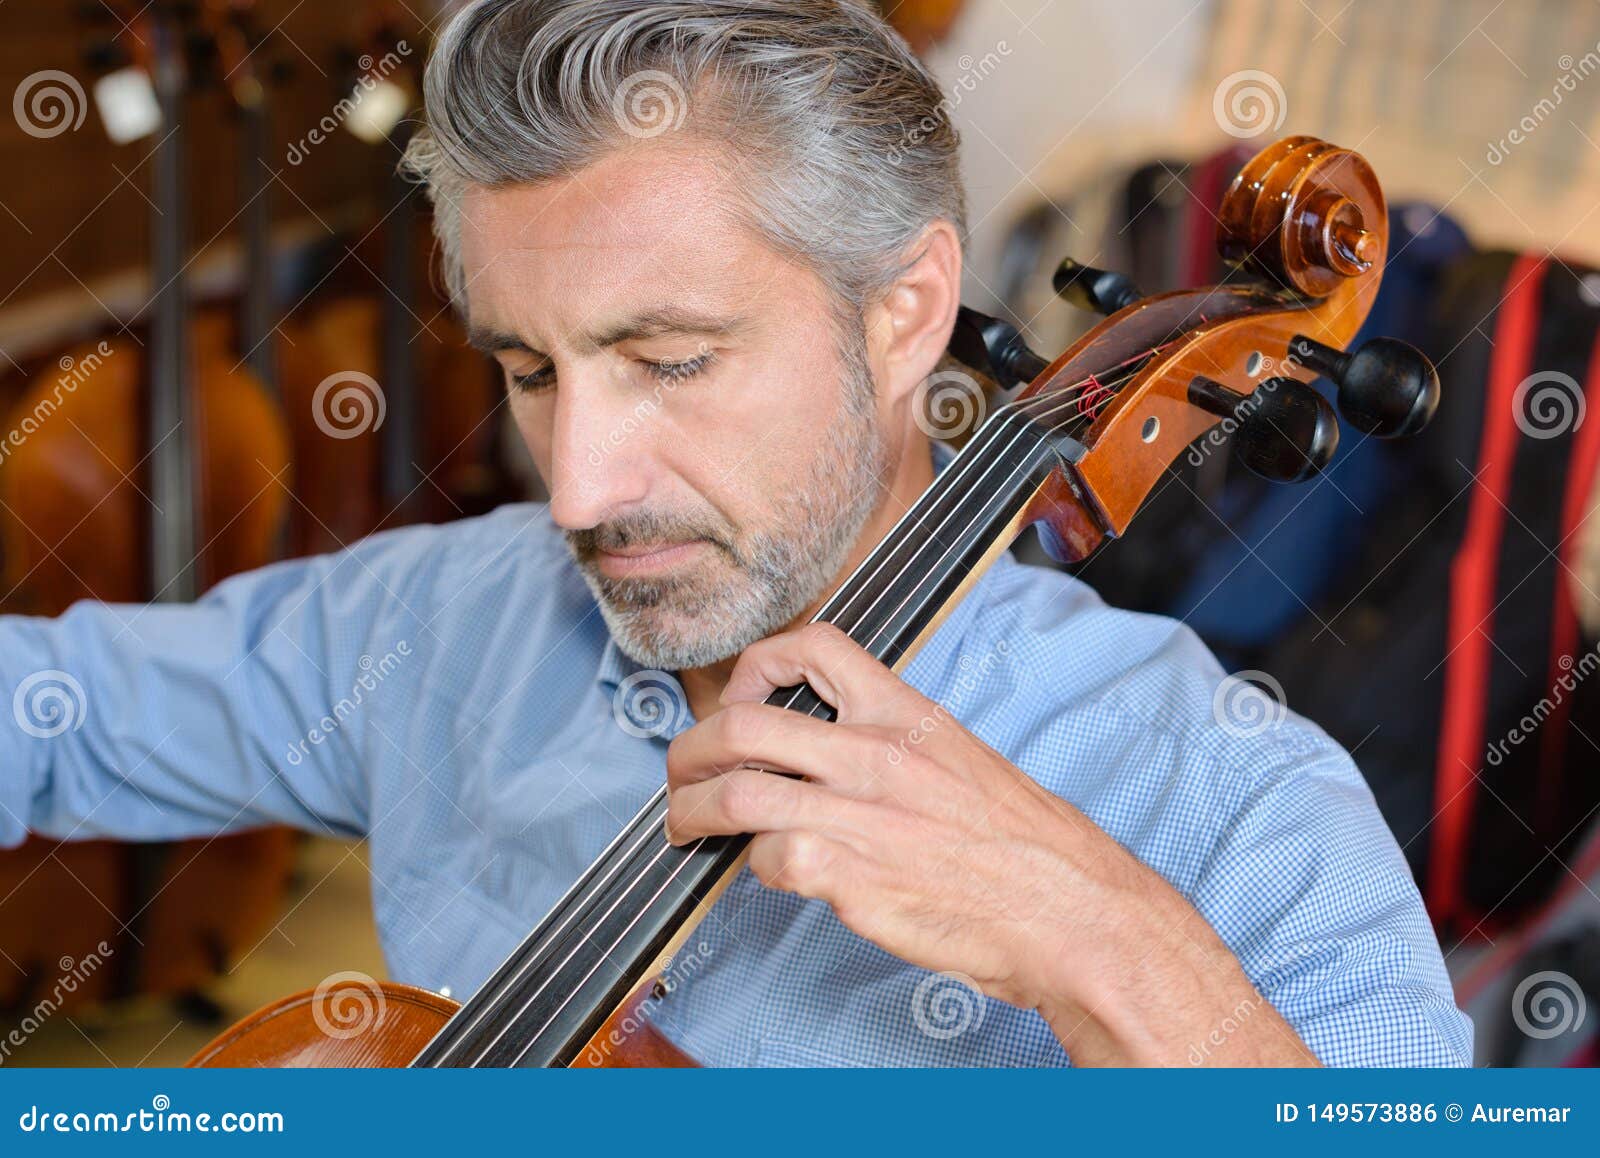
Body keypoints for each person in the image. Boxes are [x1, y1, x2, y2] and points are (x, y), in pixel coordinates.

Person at [0, 0, 1470, 1067]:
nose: (576, 487)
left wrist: (1108, 947)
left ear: (899, 314)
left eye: (673, 359)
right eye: (529, 370)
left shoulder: (1237, 804)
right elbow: (47, 715)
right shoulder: (455, 620)